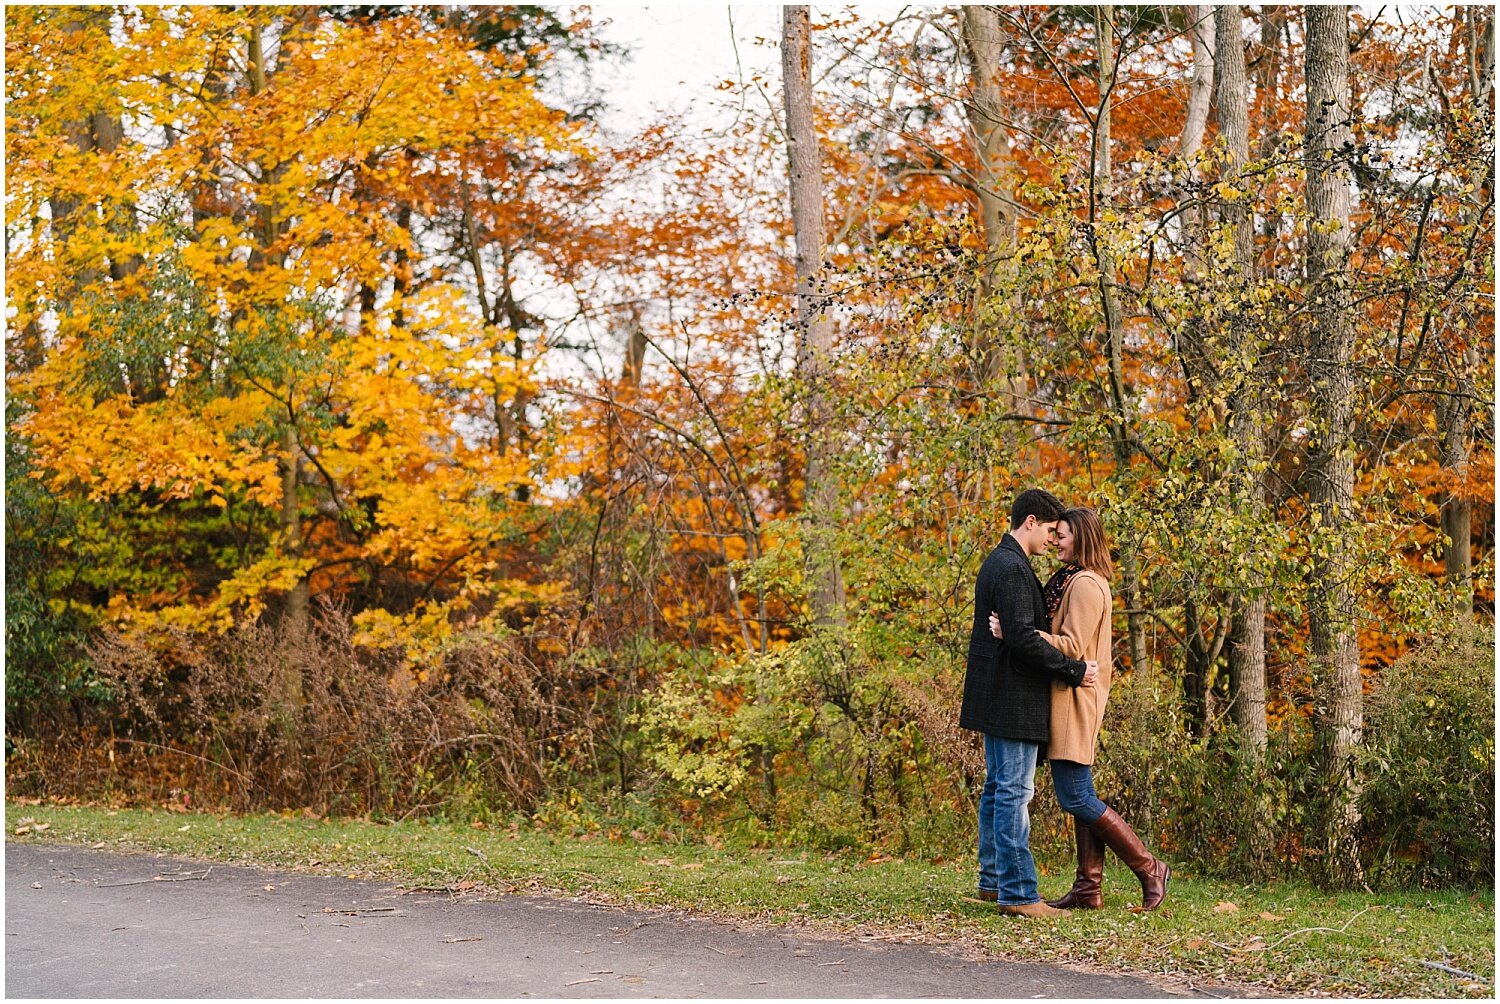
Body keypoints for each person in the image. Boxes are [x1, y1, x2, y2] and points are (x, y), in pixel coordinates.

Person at [989, 507, 1169, 911]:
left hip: (1075, 699)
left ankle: (1150, 867)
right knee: (1079, 792)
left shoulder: (1087, 584)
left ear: (1082, 539)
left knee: (1076, 796)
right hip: (1063, 696)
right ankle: (1089, 887)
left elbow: (1071, 645)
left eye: (1064, 535)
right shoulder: (1071, 579)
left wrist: (1019, 634)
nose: (1056, 542)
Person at [960, 488, 1099, 919]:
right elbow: (1022, 640)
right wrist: (1075, 671)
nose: (1052, 542)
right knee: (1013, 794)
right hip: (1013, 698)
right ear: (1032, 522)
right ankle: (1019, 894)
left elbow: (1016, 633)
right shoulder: (1014, 570)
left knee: (997, 790)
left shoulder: (1000, 561)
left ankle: (993, 882)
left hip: (998, 694)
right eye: (1051, 531)